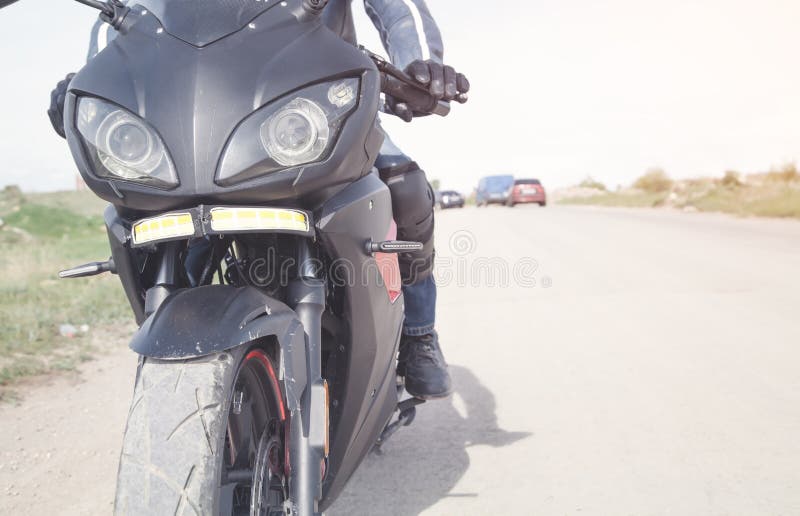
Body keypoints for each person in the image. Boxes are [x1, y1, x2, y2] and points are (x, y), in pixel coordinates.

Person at [47, 0, 470, 400]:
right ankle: (172, 330)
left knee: (405, 186)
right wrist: (91, 79)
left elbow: (399, 10)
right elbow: (121, 16)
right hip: (206, 114)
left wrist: (418, 62)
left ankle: (419, 334)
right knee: (152, 204)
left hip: (316, 109)